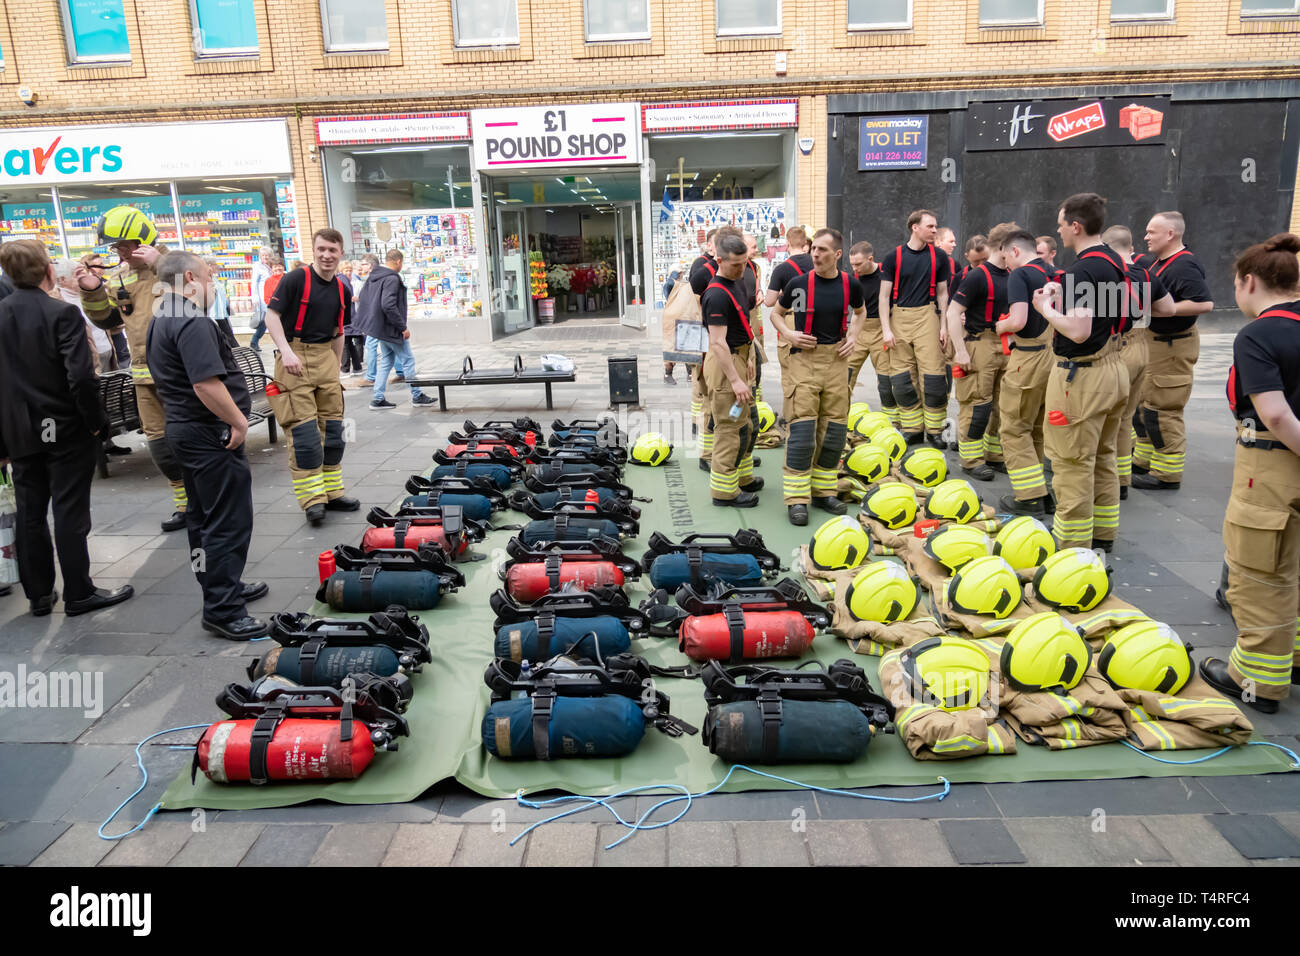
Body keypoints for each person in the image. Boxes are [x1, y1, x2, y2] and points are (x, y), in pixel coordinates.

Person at [0, 240, 134, 618]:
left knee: (31, 510)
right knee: (69, 510)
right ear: (46, 271)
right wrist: (96, 424)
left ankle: (39, 594)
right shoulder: (61, 313)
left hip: (21, 431)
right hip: (61, 427)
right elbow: (80, 376)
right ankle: (79, 590)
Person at [1198, 234, 1300, 714]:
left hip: (1274, 464)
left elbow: (1277, 415)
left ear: (1248, 281)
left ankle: (1256, 680)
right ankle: (1291, 658)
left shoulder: (1259, 334)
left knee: (1261, 574)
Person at [146, 251, 269, 641]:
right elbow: (205, 383)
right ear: (190, 279)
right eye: (209, 275)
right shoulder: (190, 319)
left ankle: (220, 586)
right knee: (227, 522)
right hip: (206, 433)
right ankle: (222, 609)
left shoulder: (161, 316)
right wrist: (237, 420)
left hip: (185, 430)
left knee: (201, 517)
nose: (213, 283)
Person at [75, 207, 189, 533]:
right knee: (160, 445)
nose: (121, 252)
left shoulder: (174, 264)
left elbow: (199, 299)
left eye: (125, 245)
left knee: (190, 439)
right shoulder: (120, 277)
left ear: (144, 239)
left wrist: (159, 262)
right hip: (144, 377)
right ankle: (185, 505)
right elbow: (108, 320)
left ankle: (206, 499)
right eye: (116, 247)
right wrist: (92, 289)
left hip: (181, 373)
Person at [1031, 193, 1132, 552]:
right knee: (1103, 458)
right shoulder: (1114, 262)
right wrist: (1064, 292)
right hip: (1113, 369)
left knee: (1072, 463)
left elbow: (1078, 331)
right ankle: (1103, 538)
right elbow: (1130, 313)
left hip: (1082, 378)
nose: (1058, 232)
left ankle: (1071, 550)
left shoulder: (1084, 269)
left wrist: (1045, 307)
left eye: (1060, 225)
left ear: (1076, 226)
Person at [263, 229, 361, 526]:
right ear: (314, 250)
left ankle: (332, 493)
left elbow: (338, 332)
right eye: (321, 249)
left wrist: (336, 364)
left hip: (324, 358)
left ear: (341, 252)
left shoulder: (342, 288)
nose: (326, 255)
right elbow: (271, 316)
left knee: (334, 432)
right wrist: (286, 352)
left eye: (332, 249)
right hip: (294, 358)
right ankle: (312, 501)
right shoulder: (295, 279)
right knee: (305, 435)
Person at [771, 228, 864, 525]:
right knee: (801, 432)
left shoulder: (851, 285)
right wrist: (788, 333)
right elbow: (775, 313)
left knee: (834, 431)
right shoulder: (799, 284)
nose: (816, 254)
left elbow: (861, 312)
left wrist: (854, 335)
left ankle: (824, 492)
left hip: (837, 361)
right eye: (814, 249)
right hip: (804, 362)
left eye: (823, 250)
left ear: (837, 255)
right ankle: (797, 499)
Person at [1131, 211, 1215, 492]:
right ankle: (1143, 461)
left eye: (1151, 231)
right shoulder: (1158, 263)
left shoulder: (1183, 266)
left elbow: (1204, 304)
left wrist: (1165, 310)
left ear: (1171, 234)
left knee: (1163, 409)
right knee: (1144, 406)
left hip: (1172, 347)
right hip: (1156, 345)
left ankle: (1167, 474)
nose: (1146, 237)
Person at [1100, 225, 1176, 500]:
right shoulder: (1147, 274)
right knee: (1126, 418)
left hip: (1117, 347)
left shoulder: (1108, 274)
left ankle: (1113, 481)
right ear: (1130, 246)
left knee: (1110, 420)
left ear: (1107, 248)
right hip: (1143, 347)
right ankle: (1123, 480)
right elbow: (1169, 309)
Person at [996, 229, 1062, 516]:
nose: (1006, 267)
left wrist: (1001, 326)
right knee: (1037, 427)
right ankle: (1042, 491)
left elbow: (1019, 320)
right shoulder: (1055, 273)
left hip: (1028, 359)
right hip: (1055, 359)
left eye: (1005, 259)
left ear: (1013, 251)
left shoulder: (1020, 276)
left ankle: (1028, 497)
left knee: (1013, 426)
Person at [947, 223, 1015, 481]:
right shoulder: (977, 276)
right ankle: (971, 460)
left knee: (1001, 405)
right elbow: (953, 312)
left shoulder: (1012, 274)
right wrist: (961, 351)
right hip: (979, 345)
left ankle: (995, 455)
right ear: (1003, 247)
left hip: (1006, 344)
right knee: (977, 405)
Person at [879, 210, 951, 447]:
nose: (934, 230)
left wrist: (944, 326)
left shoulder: (940, 257)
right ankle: (912, 429)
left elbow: (943, 293)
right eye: (930, 226)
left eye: (935, 226)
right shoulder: (893, 257)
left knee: (934, 378)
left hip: (928, 316)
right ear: (915, 227)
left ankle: (935, 431)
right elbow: (884, 297)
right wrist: (886, 330)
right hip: (899, 317)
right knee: (902, 379)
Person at [701, 230, 761, 508]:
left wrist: (748, 356)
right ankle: (724, 493)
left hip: (739, 356)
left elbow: (741, 323)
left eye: (744, 262)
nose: (742, 269)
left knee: (746, 423)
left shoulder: (737, 280)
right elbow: (718, 343)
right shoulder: (715, 294)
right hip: (726, 364)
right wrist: (736, 380)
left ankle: (743, 477)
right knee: (729, 427)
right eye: (736, 264)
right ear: (720, 260)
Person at [355, 249, 433, 409]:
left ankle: (377, 398)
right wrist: (402, 327)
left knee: (387, 361)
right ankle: (417, 395)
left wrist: (369, 322)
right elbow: (388, 304)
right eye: (402, 263)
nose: (401, 265)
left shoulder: (374, 277)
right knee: (408, 360)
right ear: (398, 261)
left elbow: (363, 298)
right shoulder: (391, 278)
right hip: (391, 329)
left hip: (380, 328)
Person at [764, 226, 814, 428]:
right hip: (816, 319)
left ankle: (791, 416)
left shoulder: (782, 269)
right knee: (813, 368)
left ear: (787, 244)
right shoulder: (818, 263)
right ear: (806, 245)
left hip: (791, 321)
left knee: (789, 371)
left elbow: (769, 301)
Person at [846, 241, 892, 419]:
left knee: (886, 379)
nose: (854, 268)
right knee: (845, 375)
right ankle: (840, 417)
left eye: (858, 264)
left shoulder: (886, 274)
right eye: (852, 264)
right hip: (858, 329)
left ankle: (891, 421)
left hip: (881, 329)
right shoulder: (853, 278)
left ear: (870, 259)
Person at [690, 230, 721, 465]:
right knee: (706, 394)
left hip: (718, 341)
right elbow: (694, 304)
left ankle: (710, 451)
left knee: (715, 401)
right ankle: (706, 454)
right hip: (705, 341)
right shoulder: (702, 270)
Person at [357, 253, 383, 388]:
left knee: (370, 346)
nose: (361, 267)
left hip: (375, 318)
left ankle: (371, 376)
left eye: (363, 264)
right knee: (389, 346)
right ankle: (402, 371)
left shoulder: (373, 278)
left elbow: (367, 299)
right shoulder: (380, 276)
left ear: (370, 265)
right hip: (381, 318)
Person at [249, 247, 272, 351]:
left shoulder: (271, 266)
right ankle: (254, 341)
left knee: (266, 321)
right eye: (263, 255)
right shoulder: (257, 266)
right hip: (262, 298)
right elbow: (254, 283)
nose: (265, 257)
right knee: (264, 321)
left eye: (267, 255)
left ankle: (254, 342)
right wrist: (255, 297)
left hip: (272, 296)